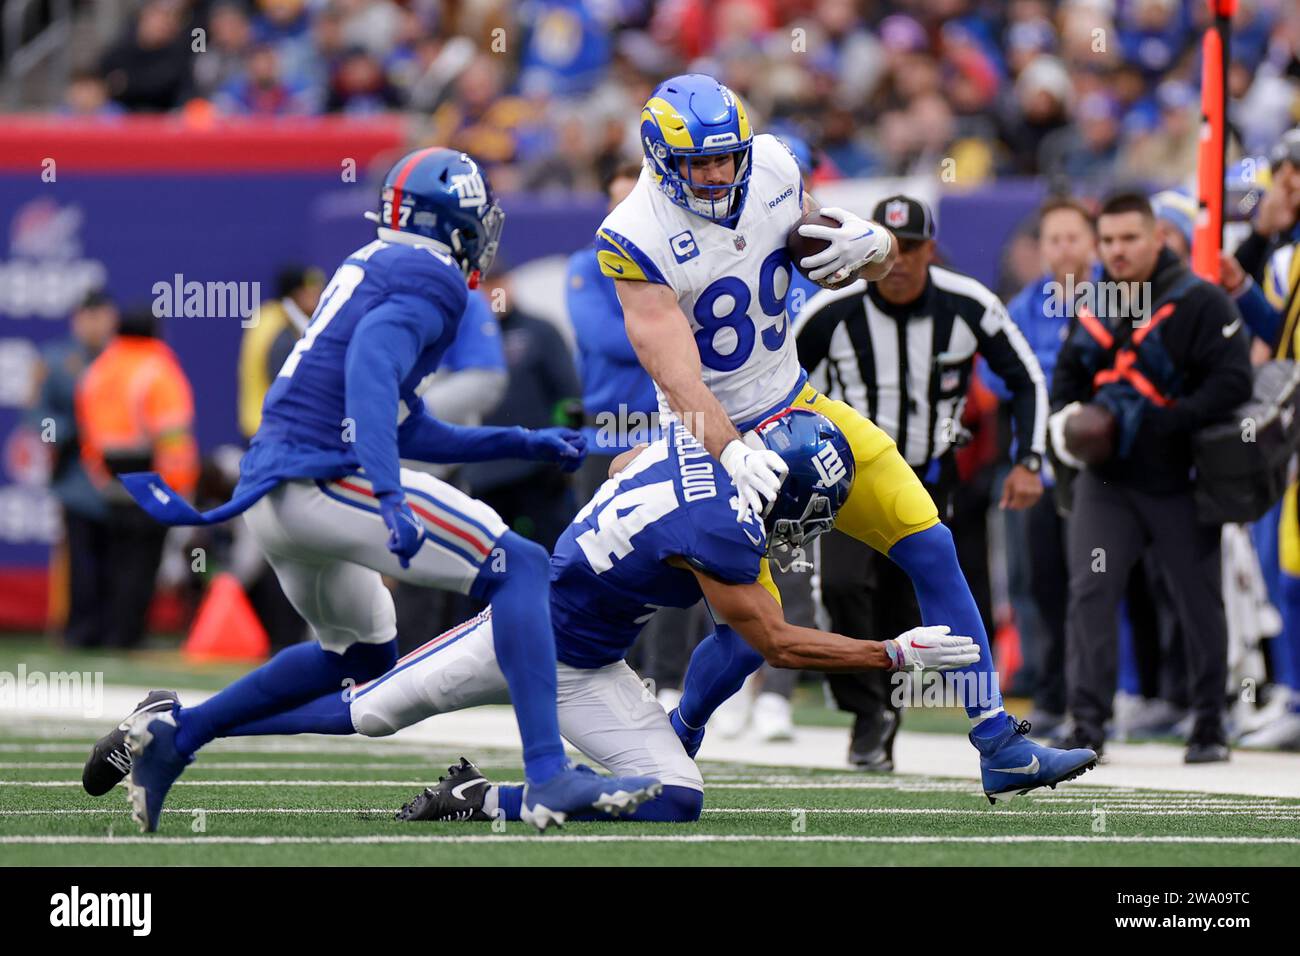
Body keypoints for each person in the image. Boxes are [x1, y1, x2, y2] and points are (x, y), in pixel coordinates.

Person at [89, 148, 660, 833]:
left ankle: (177, 735)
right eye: (475, 218)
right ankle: (548, 775)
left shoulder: (375, 266)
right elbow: (369, 370)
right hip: (325, 481)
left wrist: (518, 440)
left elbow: (401, 417)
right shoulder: (432, 278)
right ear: (446, 220)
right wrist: (388, 493)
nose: (483, 231)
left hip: (276, 491)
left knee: (362, 658)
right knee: (522, 565)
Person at [85, 410, 977, 824]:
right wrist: (889, 653)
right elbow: (773, 640)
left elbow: (739, 619)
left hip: (596, 659)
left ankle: (481, 798)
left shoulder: (696, 450)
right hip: (531, 632)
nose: (815, 522)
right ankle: (180, 722)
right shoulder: (723, 531)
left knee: (676, 798)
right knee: (368, 712)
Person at [599, 73, 1094, 801]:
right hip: (712, 442)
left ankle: (997, 742)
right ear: (660, 159)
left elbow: (829, 256)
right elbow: (678, 379)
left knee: (931, 544)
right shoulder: (633, 236)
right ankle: (680, 735)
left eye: (725, 157)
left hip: (800, 402)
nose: (716, 173)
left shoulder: (769, 164)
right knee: (748, 634)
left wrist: (874, 244)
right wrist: (735, 451)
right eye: (698, 162)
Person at [795, 194, 1049, 769]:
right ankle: (869, 715)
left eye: (912, 247)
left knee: (926, 607)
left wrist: (1029, 459)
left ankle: (985, 724)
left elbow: (1025, 377)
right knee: (838, 589)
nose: (901, 260)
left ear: (930, 249)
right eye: (892, 245)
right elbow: (778, 381)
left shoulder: (968, 303)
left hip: (932, 481)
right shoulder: (830, 311)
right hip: (849, 483)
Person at [1049, 191, 1253, 764]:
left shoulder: (1202, 301)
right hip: (1107, 480)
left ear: (1157, 238)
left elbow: (1234, 382)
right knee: (1091, 591)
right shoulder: (1091, 303)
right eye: (1108, 241)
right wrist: (1070, 424)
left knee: (1197, 600)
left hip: (1179, 477)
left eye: (1129, 239)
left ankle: (1210, 725)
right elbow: (1065, 383)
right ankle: (1087, 726)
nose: (1117, 251)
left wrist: (1165, 421)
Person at [1005, 196, 1099, 737]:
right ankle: (1050, 694)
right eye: (1053, 239)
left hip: (1096, 473)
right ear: (1040, 249)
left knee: (1096, 586)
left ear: (1091, 242)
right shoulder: (1023, 306)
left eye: (1072, 237)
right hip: (1040, 471)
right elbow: (1000, 376)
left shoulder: (1115, 298)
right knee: (1042, 586)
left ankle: (1102, 696)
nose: (1063, 249)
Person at [75, 306, 199, 650]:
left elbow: (86, 431)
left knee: (114, 559)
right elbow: (173, 437)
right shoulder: (157, 371)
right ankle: (130, 636)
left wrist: (99, 475)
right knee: (143, 563)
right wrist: (177, 488)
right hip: (150, 480)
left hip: (111, 481)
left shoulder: (98, 371)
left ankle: (110, 633)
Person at [27, 292, 118, 648]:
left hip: (117, 475)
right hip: (75, 476)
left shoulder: (119, 359)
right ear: (77, 319)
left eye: (104, 315)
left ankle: (114, 629)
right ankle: (77, 629)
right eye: (90, 316)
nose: (98, 324)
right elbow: (38, 414)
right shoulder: (55, 359)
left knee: (117, 559)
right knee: (79, 559)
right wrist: (64, 433)